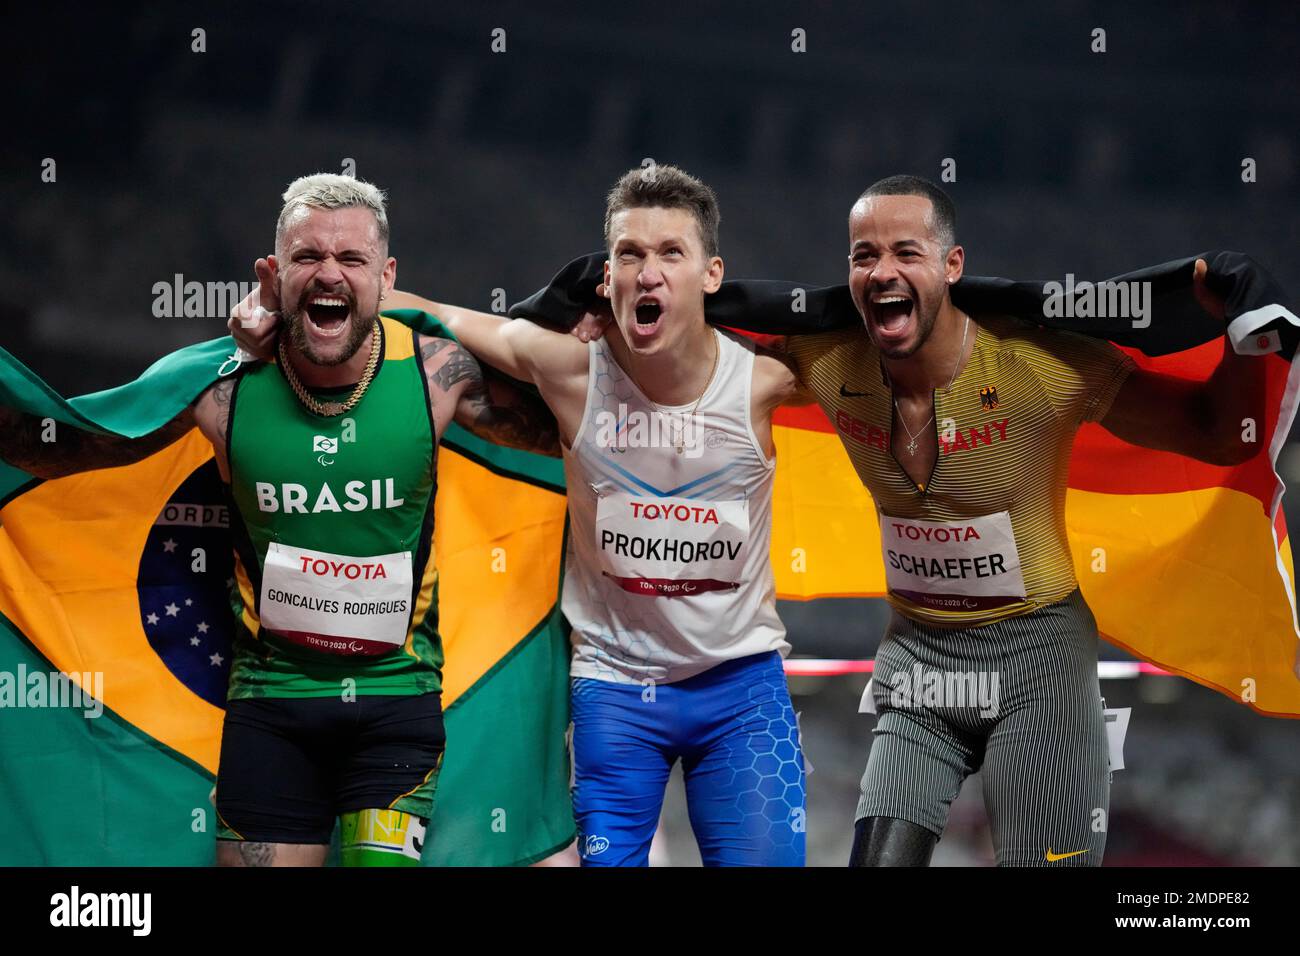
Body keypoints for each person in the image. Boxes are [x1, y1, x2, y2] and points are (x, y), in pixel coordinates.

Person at [233, 165, 811, 866]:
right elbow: (428, 314)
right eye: (630, 254)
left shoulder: (770, 380)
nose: (648, 272)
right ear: (608, 277)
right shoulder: (569, 370)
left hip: (741, 688)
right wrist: (275, 306)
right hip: (614, 689)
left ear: (711, 273)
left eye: (671, 254)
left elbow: (887, 351)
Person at [0, 173, 559, 866]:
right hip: (270, 714)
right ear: (272, 275)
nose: (330, 273)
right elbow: (58, 446)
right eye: (307, 258)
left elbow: (580, 428)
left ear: (385, 277)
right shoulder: (219, 387)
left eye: (351, 260)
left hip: (395, 705)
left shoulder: (436, 374)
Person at [757, 175, 1252, 866]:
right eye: (862, 255)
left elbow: (1223, 434)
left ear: (952, 266)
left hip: (1040, 666)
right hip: (918, 666)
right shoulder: (825, 357)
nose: (881, 272)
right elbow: (693, 378)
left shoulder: (1041, 363)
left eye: (906, 251)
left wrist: (1248, 331)